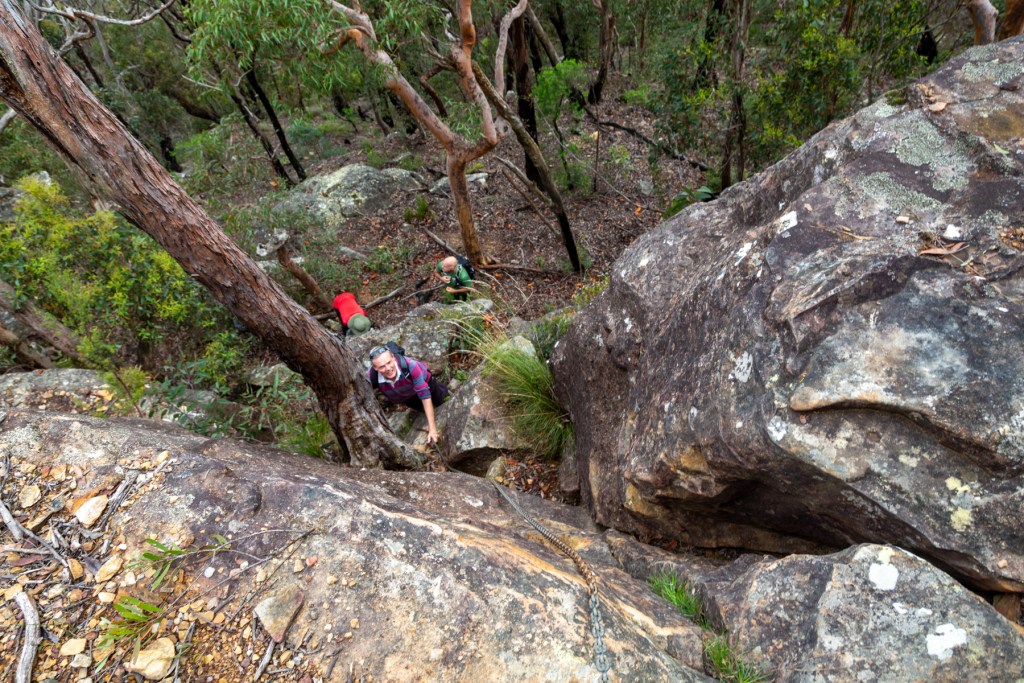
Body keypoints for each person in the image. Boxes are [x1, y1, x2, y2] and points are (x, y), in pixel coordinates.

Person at [367, 345, 448, 444]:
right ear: (375, 368)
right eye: (382, 366)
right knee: (420, 409)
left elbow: (425, 396)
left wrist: (432, 429)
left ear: (393, 358)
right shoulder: (371, 377)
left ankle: (443, 388)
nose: (388, 368)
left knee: (440, 400)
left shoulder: (410, 366)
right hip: (407, 397)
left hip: (426, 383)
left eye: (389, 362)